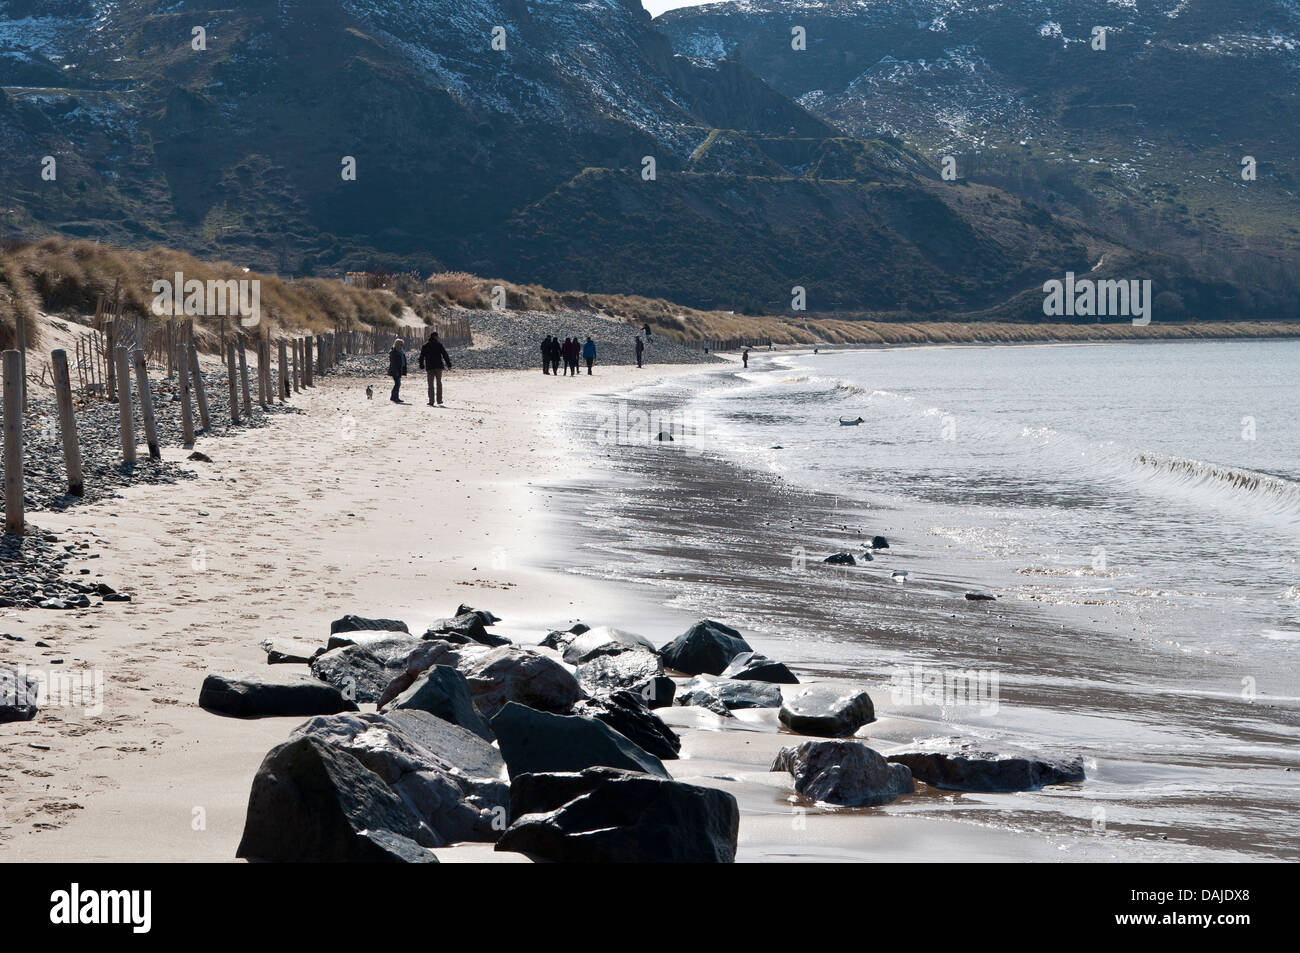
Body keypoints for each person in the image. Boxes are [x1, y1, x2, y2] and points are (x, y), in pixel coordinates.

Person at [418, 330, 452, 406]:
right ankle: (439, 400)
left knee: (430, 384)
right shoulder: (439, 345)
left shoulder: (425, 346)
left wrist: (421, 365)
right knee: (439, 383)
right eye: (437, 336)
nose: (438, 338)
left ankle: (431, 401)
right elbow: (445, 355)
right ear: (435, 337)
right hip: (438, 367)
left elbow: (421, 356)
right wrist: (448, 364)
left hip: (429, 367)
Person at [387, 338, 407, 403]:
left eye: (402, 344)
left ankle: (394, 397)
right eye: (401, 344)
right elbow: (394, 363)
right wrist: (396, 372)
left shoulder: (401, 352)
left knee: (398, 384)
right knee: (397, 384)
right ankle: (395, 397)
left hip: (399, 370)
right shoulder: (394, 352)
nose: (402, 346)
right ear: (397, 344)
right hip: (395, 370)